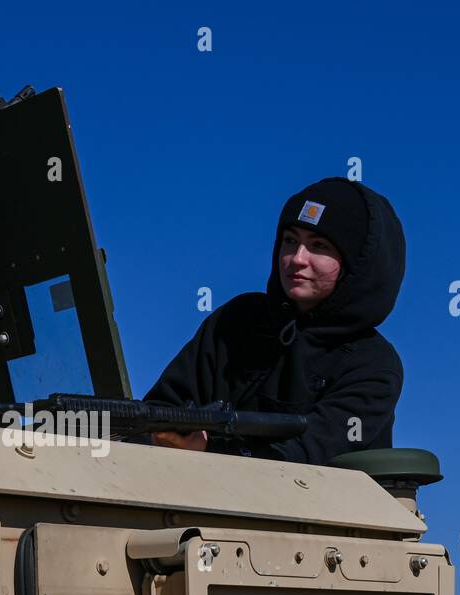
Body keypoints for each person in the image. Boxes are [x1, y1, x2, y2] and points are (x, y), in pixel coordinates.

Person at [145, 177, 406, 465]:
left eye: (319, 246)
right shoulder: (236, 321)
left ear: (356, 265)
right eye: (290, 241)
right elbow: (160, 409)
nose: (297, 258)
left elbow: (310, 456)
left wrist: (209, 451)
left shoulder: (374, 365)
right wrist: (166, 433)